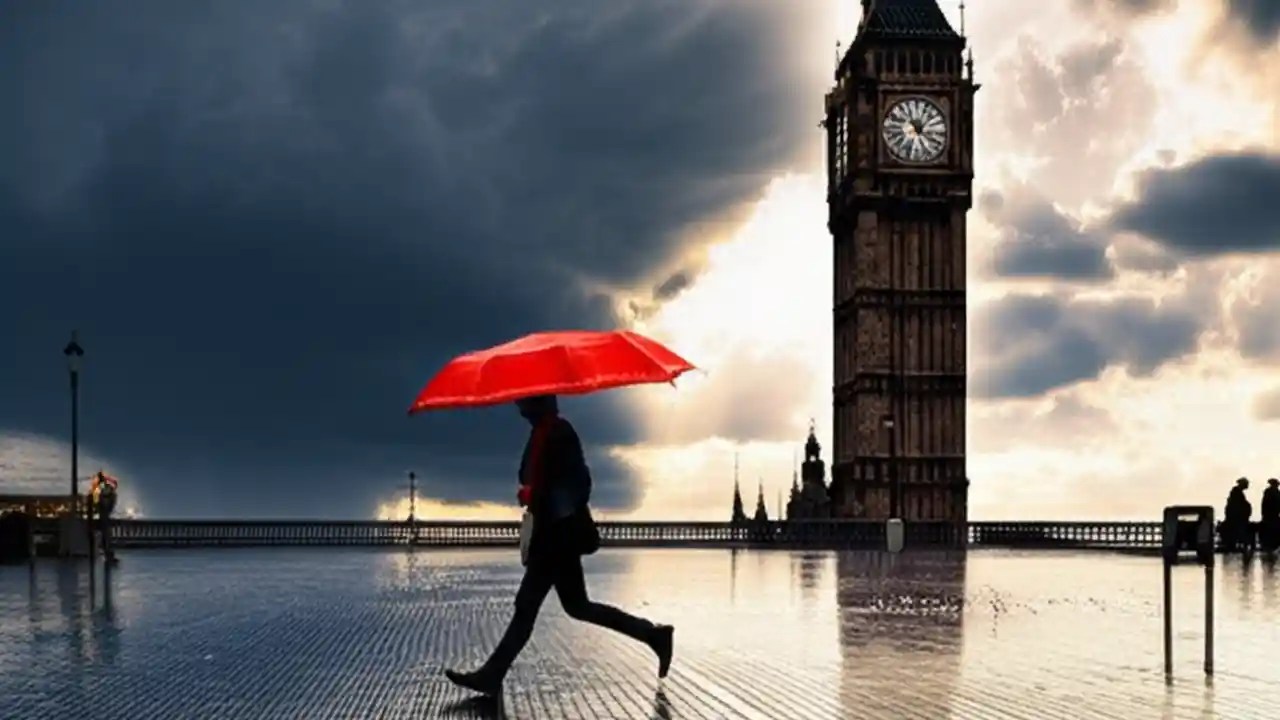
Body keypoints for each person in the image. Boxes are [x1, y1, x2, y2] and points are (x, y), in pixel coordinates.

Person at [445, 394, 673, 696]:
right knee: (578, 606)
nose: (517, 405)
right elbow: (536, 478)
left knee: (527, 607)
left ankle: (491, 675)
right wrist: (532, 494)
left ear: (537, 404)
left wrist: (541, 500)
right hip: (553, 538)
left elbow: (579, 483)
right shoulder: (544, 432)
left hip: (555, 539)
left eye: (523, 401)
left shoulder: (558, 432)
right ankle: (653, 634)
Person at [92, 471, 119, 563]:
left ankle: (107, 552)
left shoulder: (99, 489)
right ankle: (108, 552)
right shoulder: (104, 489)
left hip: (103, 515)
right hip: (105, 516)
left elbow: (96, 500)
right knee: (106, 535)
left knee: (105, 535)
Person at [1223, 477, 1253, 553]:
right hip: (1237, 518)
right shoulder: (1237, 493)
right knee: (1239, 532)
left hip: (1237, 518)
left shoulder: (1236, 492)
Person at [1260, 478, 1280, 553]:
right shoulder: (1274, 492)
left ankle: (1270, 545)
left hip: (1270, 515)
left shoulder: (1268, 491)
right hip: (1272, 515)